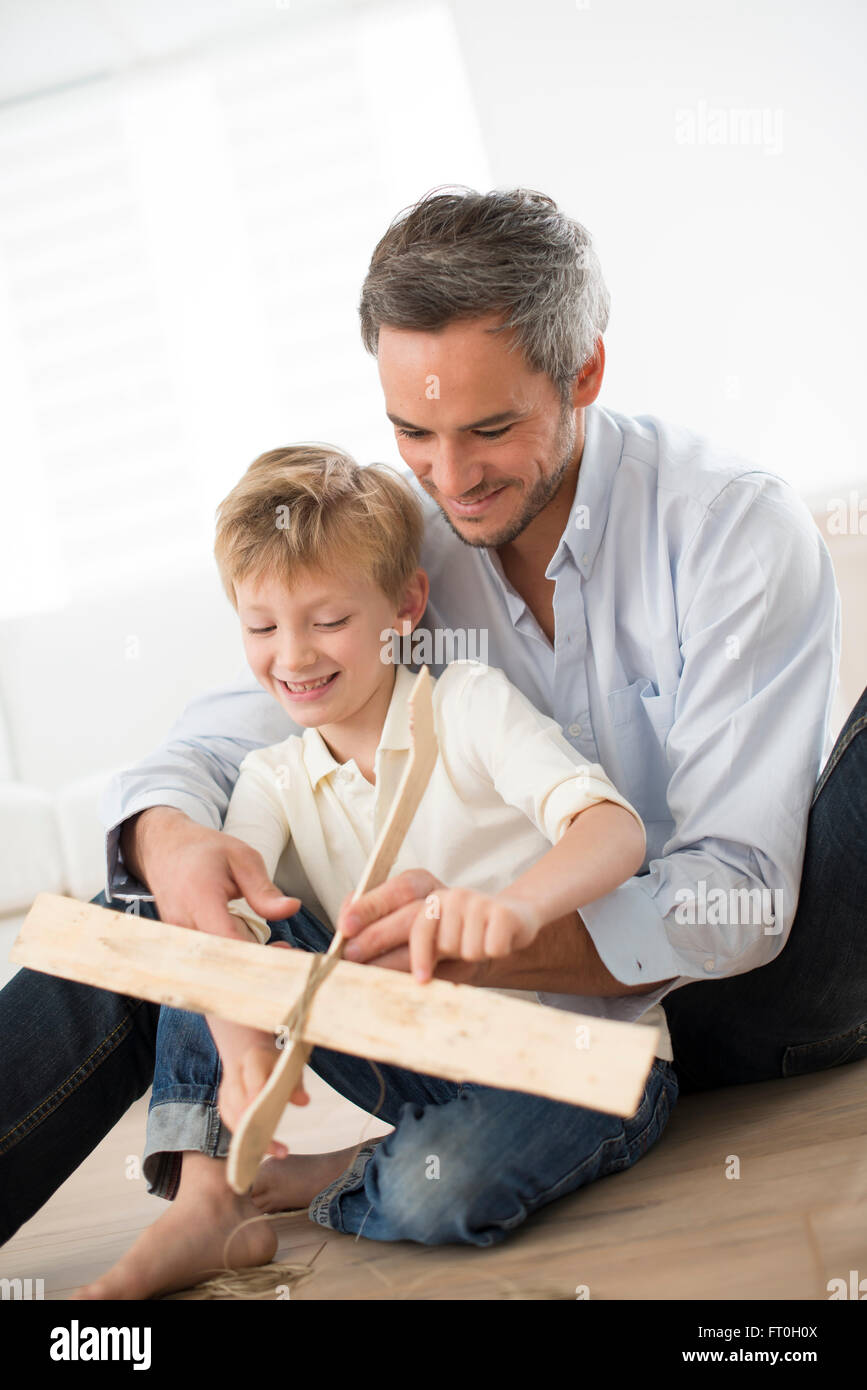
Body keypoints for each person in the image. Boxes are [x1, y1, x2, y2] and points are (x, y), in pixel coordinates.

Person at [2, 188, 864, 1256]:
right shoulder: (405, 541)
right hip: (486, 1019)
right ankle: (216, 1195)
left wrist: (495, 936)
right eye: (413, 430)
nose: (450, 478)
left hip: (735, 1000)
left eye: (492, 430)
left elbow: (741, 898)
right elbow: (229, 732)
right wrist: (171, 846)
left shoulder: (730, 528)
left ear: (584, 372)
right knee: (145, 905)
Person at [76, 443, 674, 1298]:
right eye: (260, 627)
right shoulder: (270, 778)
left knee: (445, 1187)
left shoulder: (466, 704)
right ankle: (213, 1200)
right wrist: (244, 1057)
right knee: (205, 901)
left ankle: (339, 1175)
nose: (292, 657)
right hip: (420, 1059)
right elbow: (233, 937)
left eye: (326, 623)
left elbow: (613, 832)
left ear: (404, 605)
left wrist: (513, 910)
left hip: (583, 1059)